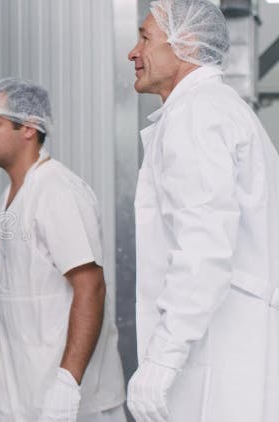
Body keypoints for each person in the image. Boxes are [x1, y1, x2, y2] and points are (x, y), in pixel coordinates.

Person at [0, 78, 125, 422]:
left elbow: (90, 286)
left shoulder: (58, 192)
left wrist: (68, 382)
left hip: (71, 399)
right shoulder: (16, 192)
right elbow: (26, 254)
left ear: (29, 129)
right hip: (25, 388)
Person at [126, 1, 279, 421]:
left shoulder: (197, 113)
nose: (132, 53)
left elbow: (203, 247)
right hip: (227, 350)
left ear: (186, 42)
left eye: (144, 38)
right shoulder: (216, 108)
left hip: (214, 359)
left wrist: (162, 358)